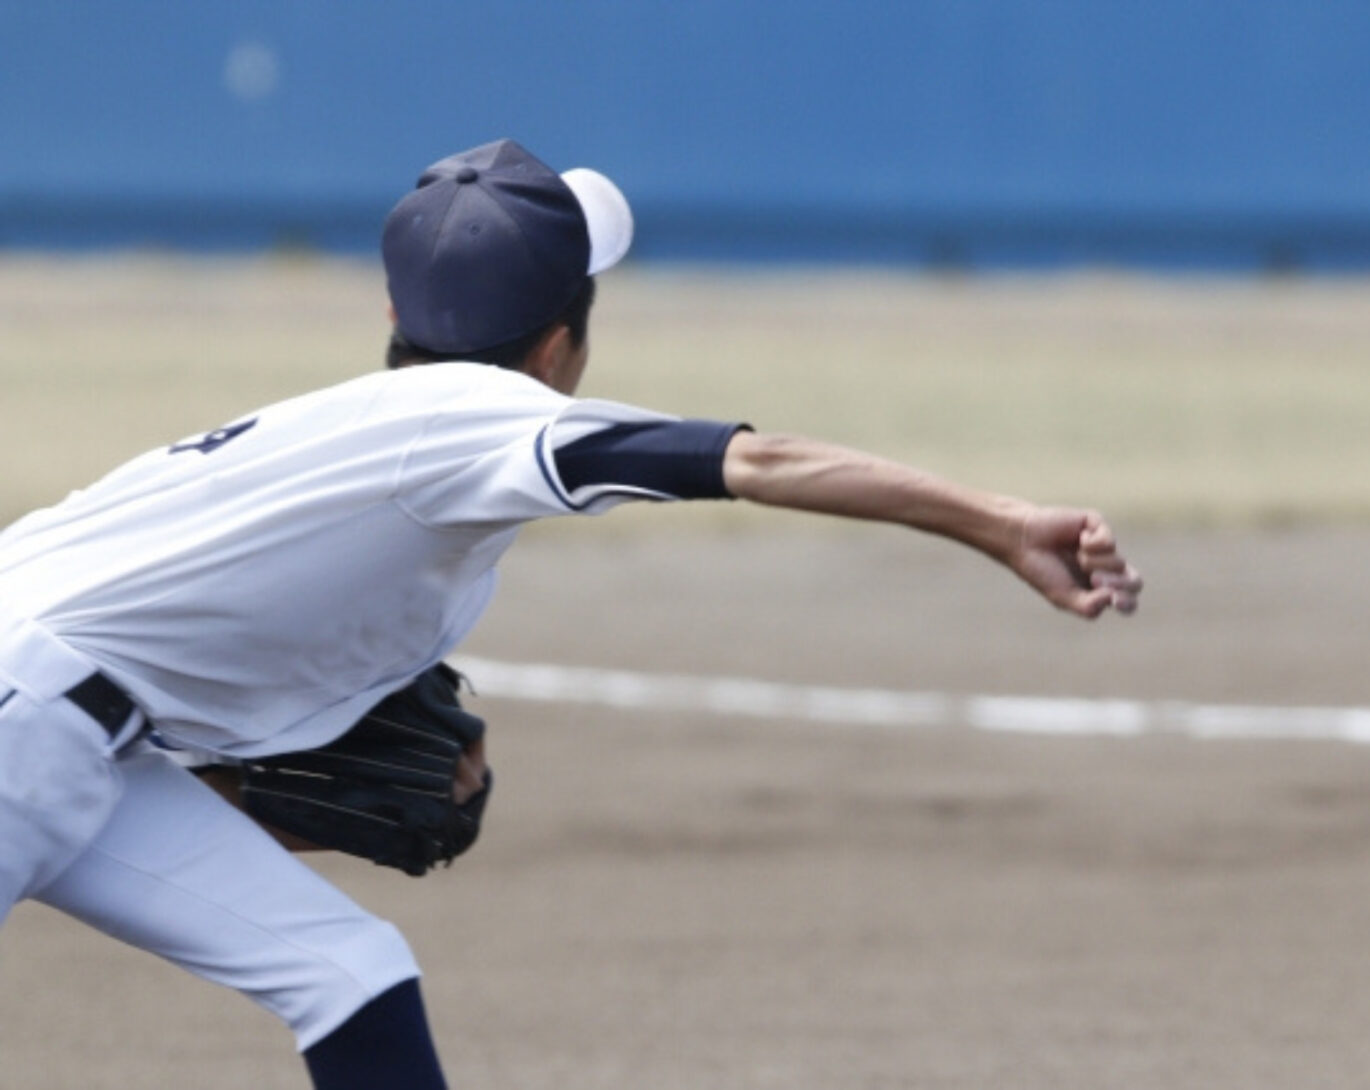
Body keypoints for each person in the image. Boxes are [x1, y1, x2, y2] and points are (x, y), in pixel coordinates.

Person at [0, 138, 1142, 1088]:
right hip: (30, 728)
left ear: (394, 308)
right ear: (559, 349)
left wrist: (267, 798)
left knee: (348, 969)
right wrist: (1000, 523)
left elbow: (98, 723)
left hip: (59, 739)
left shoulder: (332, 438)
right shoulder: (487, 419)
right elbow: (756, 460)